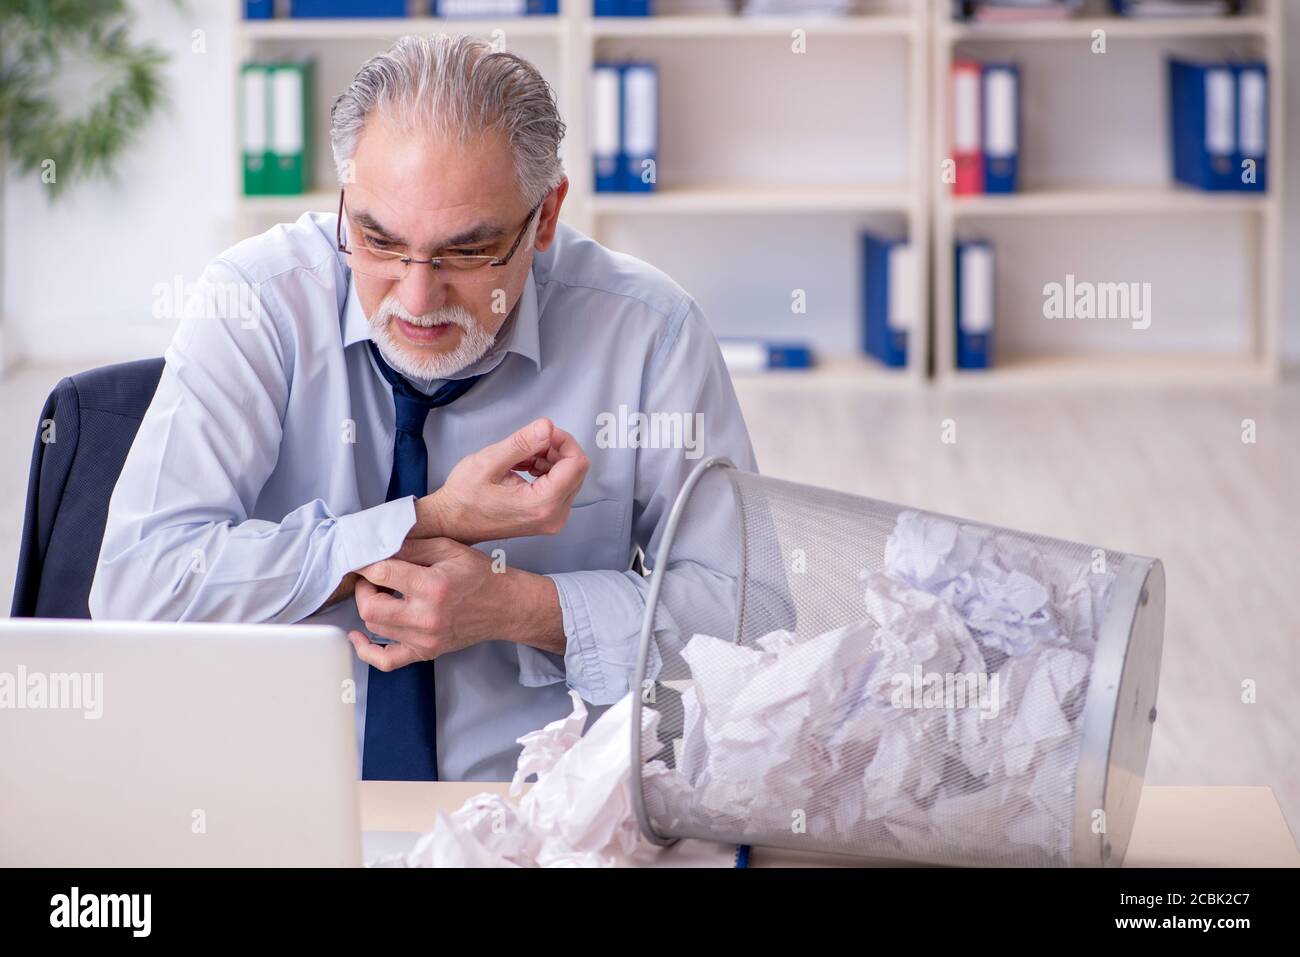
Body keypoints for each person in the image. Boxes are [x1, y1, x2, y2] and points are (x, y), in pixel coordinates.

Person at [90, 34, 756, 781]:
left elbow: (751, 625)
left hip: (533, 806)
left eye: (467, 252)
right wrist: (430, 519)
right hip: (265, 792)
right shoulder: (255, 303)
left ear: (544, 217)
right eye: (377, 239)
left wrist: (522, 606)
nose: (416, 299)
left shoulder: (649, 333)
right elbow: (138, 589)